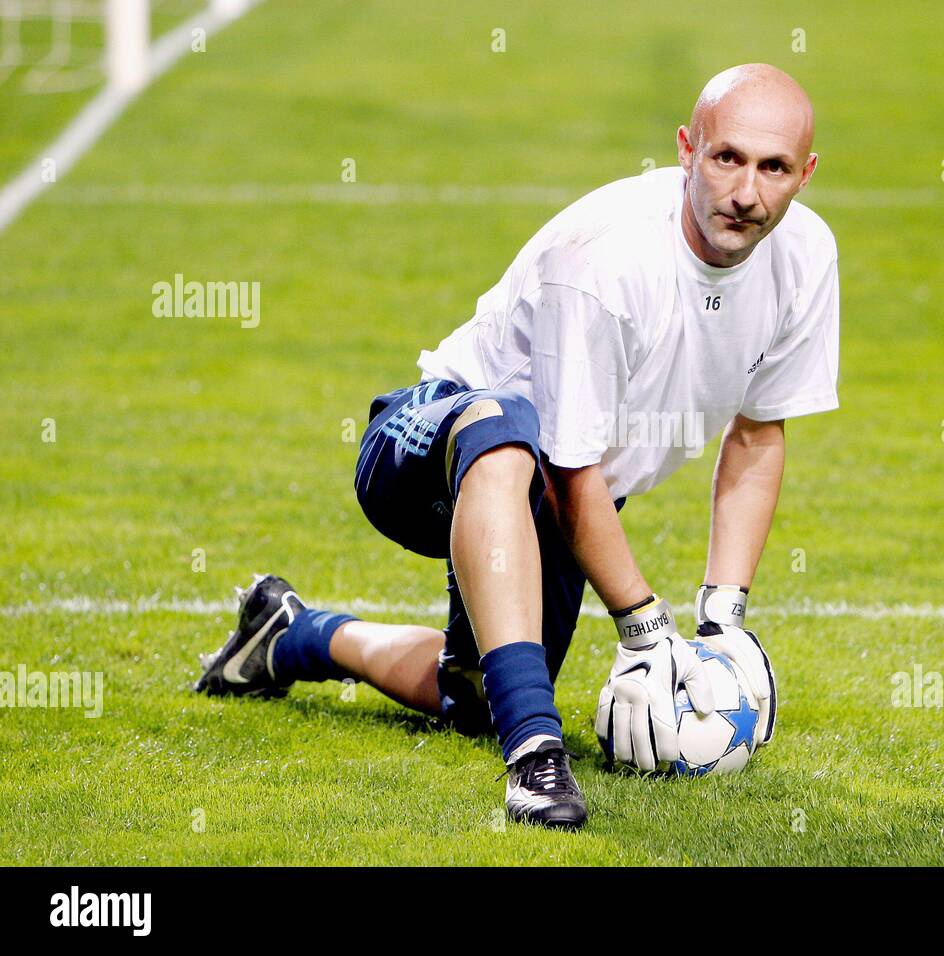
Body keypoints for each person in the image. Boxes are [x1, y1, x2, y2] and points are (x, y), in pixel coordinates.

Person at [193, 63, 839, 830]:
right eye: (727, 157)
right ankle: (535, 760)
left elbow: (758, 432)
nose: (746, 192)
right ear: (686, 149)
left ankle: (292, 632)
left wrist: (721, 622)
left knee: (476, 694)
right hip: (431, 446)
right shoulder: (605, 258)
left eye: (772, 168)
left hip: (557, 497)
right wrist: (643, 626)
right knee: (508, 430)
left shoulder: (806, 256)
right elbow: (568, 469)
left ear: (805, 173)